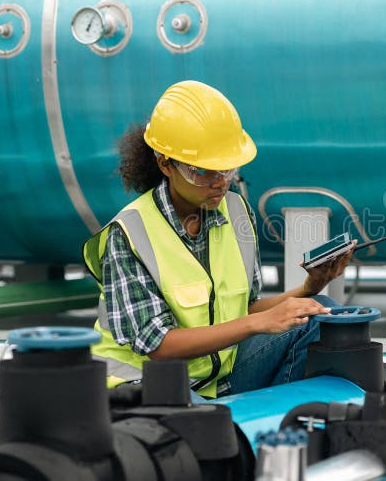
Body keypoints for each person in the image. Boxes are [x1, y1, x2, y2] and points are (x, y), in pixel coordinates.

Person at [83, 80, 352, 399]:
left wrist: (308, 289)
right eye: (203, 171)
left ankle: (269, 423)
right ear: (165, 164)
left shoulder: (237, 211)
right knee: (203, 428)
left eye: (227, 169)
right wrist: (261, 323)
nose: (219, 183)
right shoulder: (128, 235)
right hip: (144, 389)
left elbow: (244, 309)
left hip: (215, 382)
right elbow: (159, 347)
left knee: (320, 312)